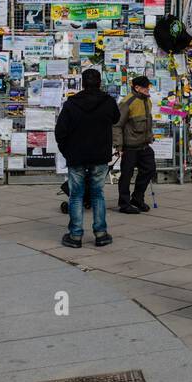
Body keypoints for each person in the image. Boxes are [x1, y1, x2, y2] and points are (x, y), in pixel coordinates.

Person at [55, 69, 120, 249]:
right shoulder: (108, 102)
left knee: (76, 195)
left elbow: (60, 131)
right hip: (99, 155)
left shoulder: (72, 104)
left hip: (76, 155)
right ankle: (101, 233)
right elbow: (116, 118)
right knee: (98, 194)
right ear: (100, 82)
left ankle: (75, 235)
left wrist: (66, 150)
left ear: (82, 83)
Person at [113, 75, 155, 215]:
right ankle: (124, 203)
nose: (148, 89)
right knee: (126, 175)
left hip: (144, 144)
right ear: (137, 88)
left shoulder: (147, 101)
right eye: (145, 87)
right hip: (130, 146)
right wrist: (118, 146)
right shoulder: (127, 102)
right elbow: (117, 125)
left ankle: (137, 198)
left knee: (149, 169)